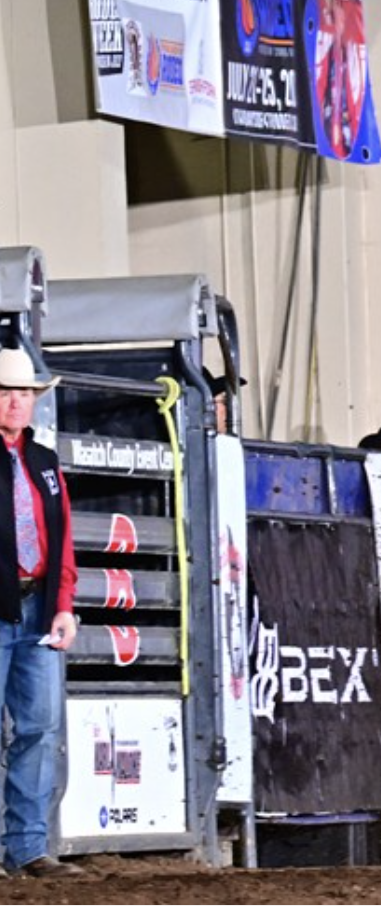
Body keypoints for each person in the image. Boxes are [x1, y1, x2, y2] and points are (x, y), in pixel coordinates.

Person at [0, 349, 84, 878]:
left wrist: (63, 605)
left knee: (39, 727)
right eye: (7, 393)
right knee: (34, 728)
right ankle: (22, 847)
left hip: (36, 606)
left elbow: (63, 539)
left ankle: (26, 847)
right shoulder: (39, 462)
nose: (15, 402)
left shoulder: (44, 461)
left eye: (24, 393)